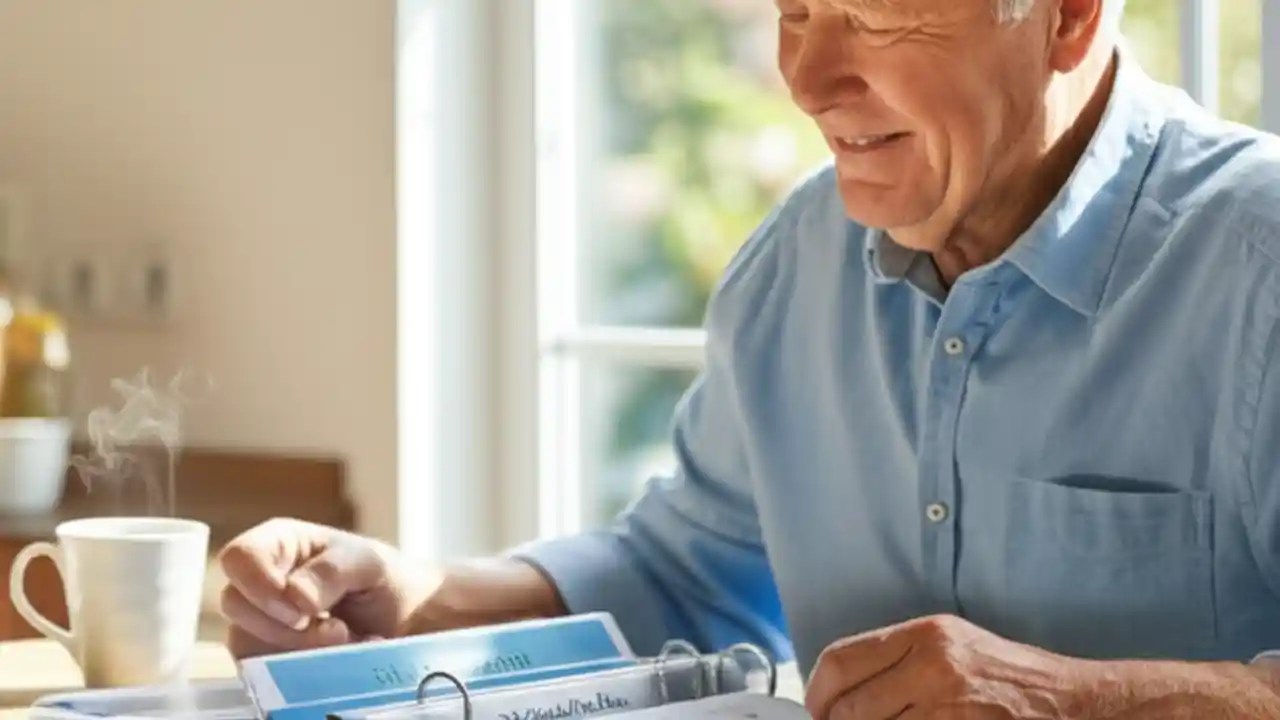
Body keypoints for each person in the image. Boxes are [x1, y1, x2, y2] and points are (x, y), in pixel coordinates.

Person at [219, 0, 1280, 716]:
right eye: (791, 10)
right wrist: (426, 600)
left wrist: (1067, 698)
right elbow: (684, 578)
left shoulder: (1258, 265)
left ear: (1063, 14)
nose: (807, 78)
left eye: (868, 11)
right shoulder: (793, 268)